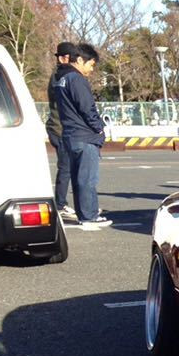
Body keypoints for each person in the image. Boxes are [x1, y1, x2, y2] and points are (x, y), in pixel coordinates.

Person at [55, 43, 110, 229]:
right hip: (84, 135)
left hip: (70, 134)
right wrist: (99, 128)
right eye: (91, 64)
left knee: (79, 178)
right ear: (79, 60)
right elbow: (87, 107)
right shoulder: (76, 79)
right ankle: (89, 216)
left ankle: (83, 214)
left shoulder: (61, 79)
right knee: (87, 178)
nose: (91, 69)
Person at [46, 41, 77, 221]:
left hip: (59, 127)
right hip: (61, 128)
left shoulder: (59, 75)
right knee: (65, 167)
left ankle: (62, 202)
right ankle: (60, 204)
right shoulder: (61, 76)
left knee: (68, 167)